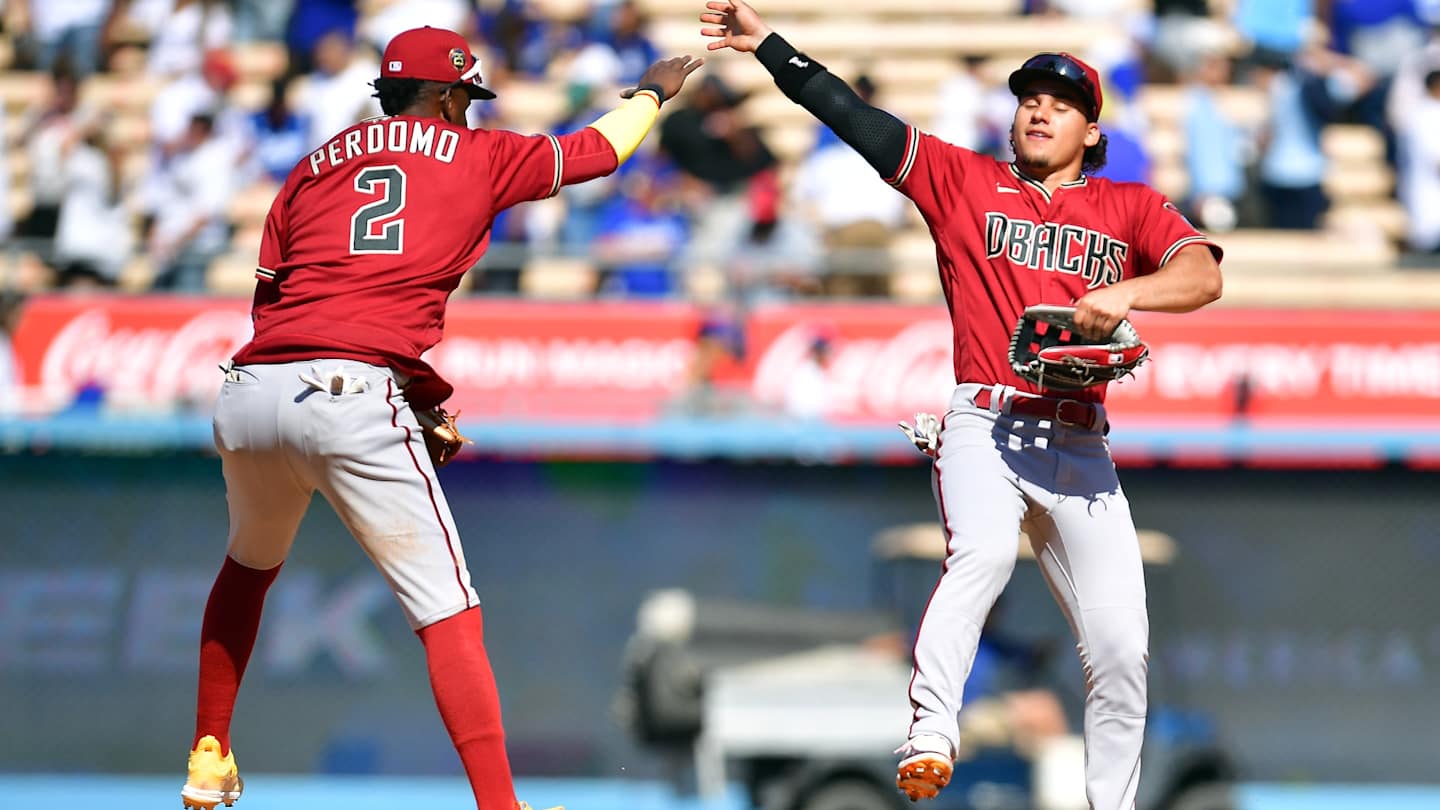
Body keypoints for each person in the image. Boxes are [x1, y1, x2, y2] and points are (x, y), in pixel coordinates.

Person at [698, 3, 1223, 809]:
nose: (1040, 108)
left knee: (1121, 650)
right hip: (988, 421)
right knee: (977, 558)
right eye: (1028, 98)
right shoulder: (964, 181)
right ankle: (930, 734)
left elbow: (1202, 277)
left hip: (1082, 445)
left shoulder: (1129, 208)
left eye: (1062, 101)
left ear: (1091, 130)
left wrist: (1125, 290)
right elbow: (852, 115)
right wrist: (768, 46)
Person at [178, 25, 702, 810]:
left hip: (252, 386)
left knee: (248, 569)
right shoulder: (477, 153)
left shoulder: (312, 167)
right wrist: (653, 91)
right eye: (465, 97)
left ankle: (208, 754)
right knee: (447, 610)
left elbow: (272, 299)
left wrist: (406, 393)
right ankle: (499, 807)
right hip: (351, 392)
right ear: (451, 94)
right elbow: (600, 152)